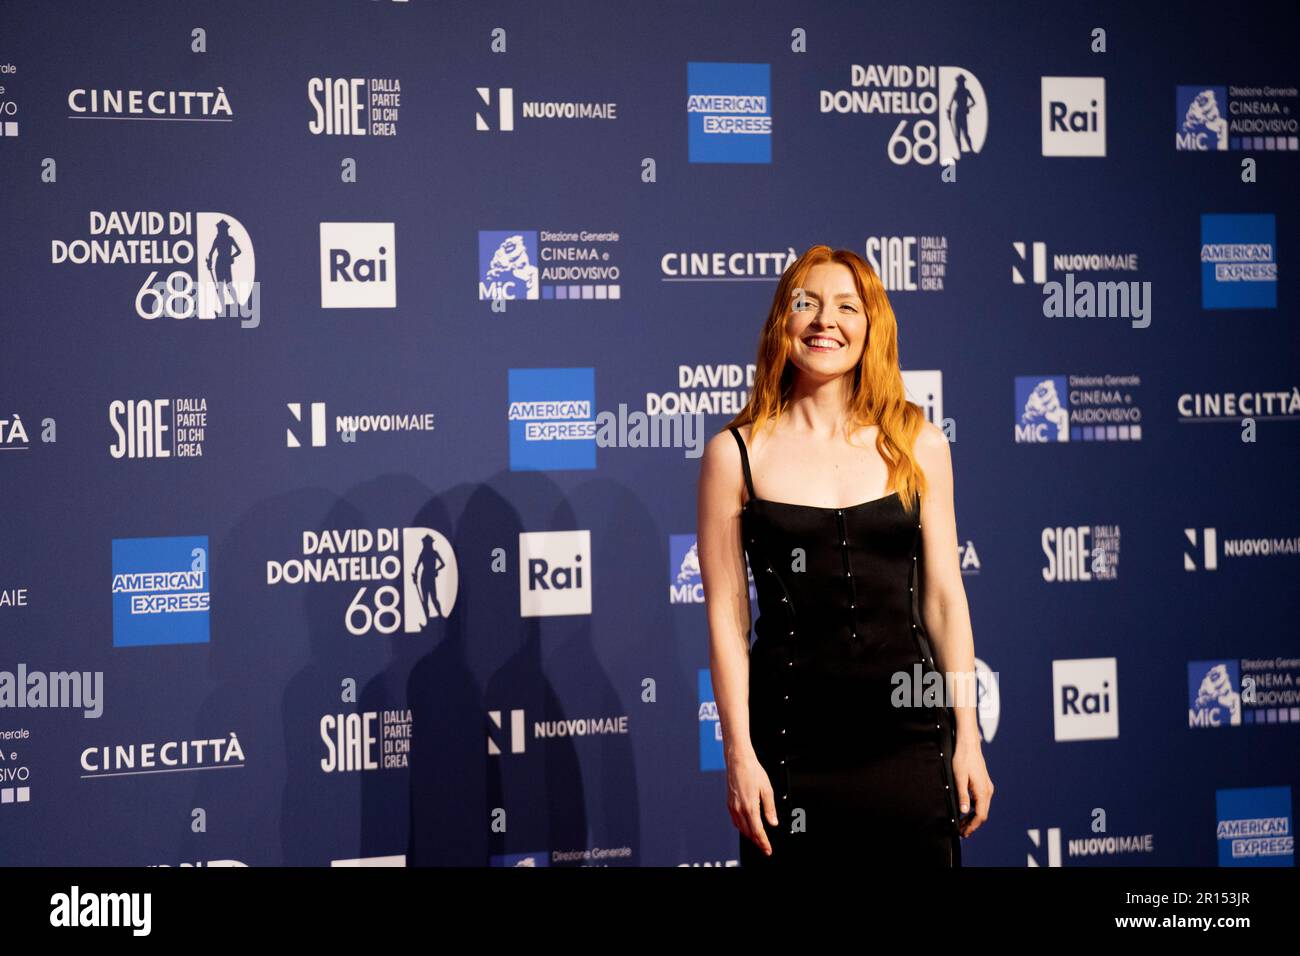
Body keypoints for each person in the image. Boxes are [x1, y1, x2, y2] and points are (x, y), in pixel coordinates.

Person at [696, 244, 993, 866]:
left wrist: (969, 737)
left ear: (871, 327)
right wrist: (739, 755)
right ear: (783, 322)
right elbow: (727, 616)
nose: (824, 320)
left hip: (910, 743)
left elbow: (943, 600)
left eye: (846, 306)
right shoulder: (736, 453)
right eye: (806, 303)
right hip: (791, 746)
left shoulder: (918, 441)